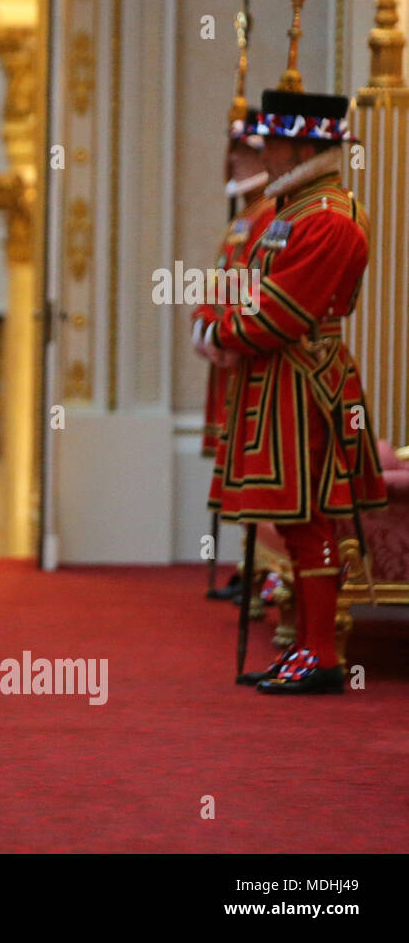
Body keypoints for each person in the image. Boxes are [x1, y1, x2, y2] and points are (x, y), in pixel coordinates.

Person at [202, 85, 387, 694]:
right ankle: (308, 649)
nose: (268, 153)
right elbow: (244, 290)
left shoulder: (328, 218)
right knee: (297, 524)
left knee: (310, 523)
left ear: (307, 145)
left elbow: (279, 313)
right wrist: (223, 320)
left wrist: (224, 329)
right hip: (276, 379)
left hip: (304, 383)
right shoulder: (290, 211)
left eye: (277, 142)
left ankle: (320, 655)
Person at [192, 108, 274, 601]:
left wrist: (222, 328)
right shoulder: (244, 217)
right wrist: (205, 320)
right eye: (234, 151)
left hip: (245, 352)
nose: (234, 161)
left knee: (255, 463)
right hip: (227, 352)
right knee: (237, 464)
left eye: (245, 152)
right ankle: (251, 560)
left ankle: (263, 565)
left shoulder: (269, 217)